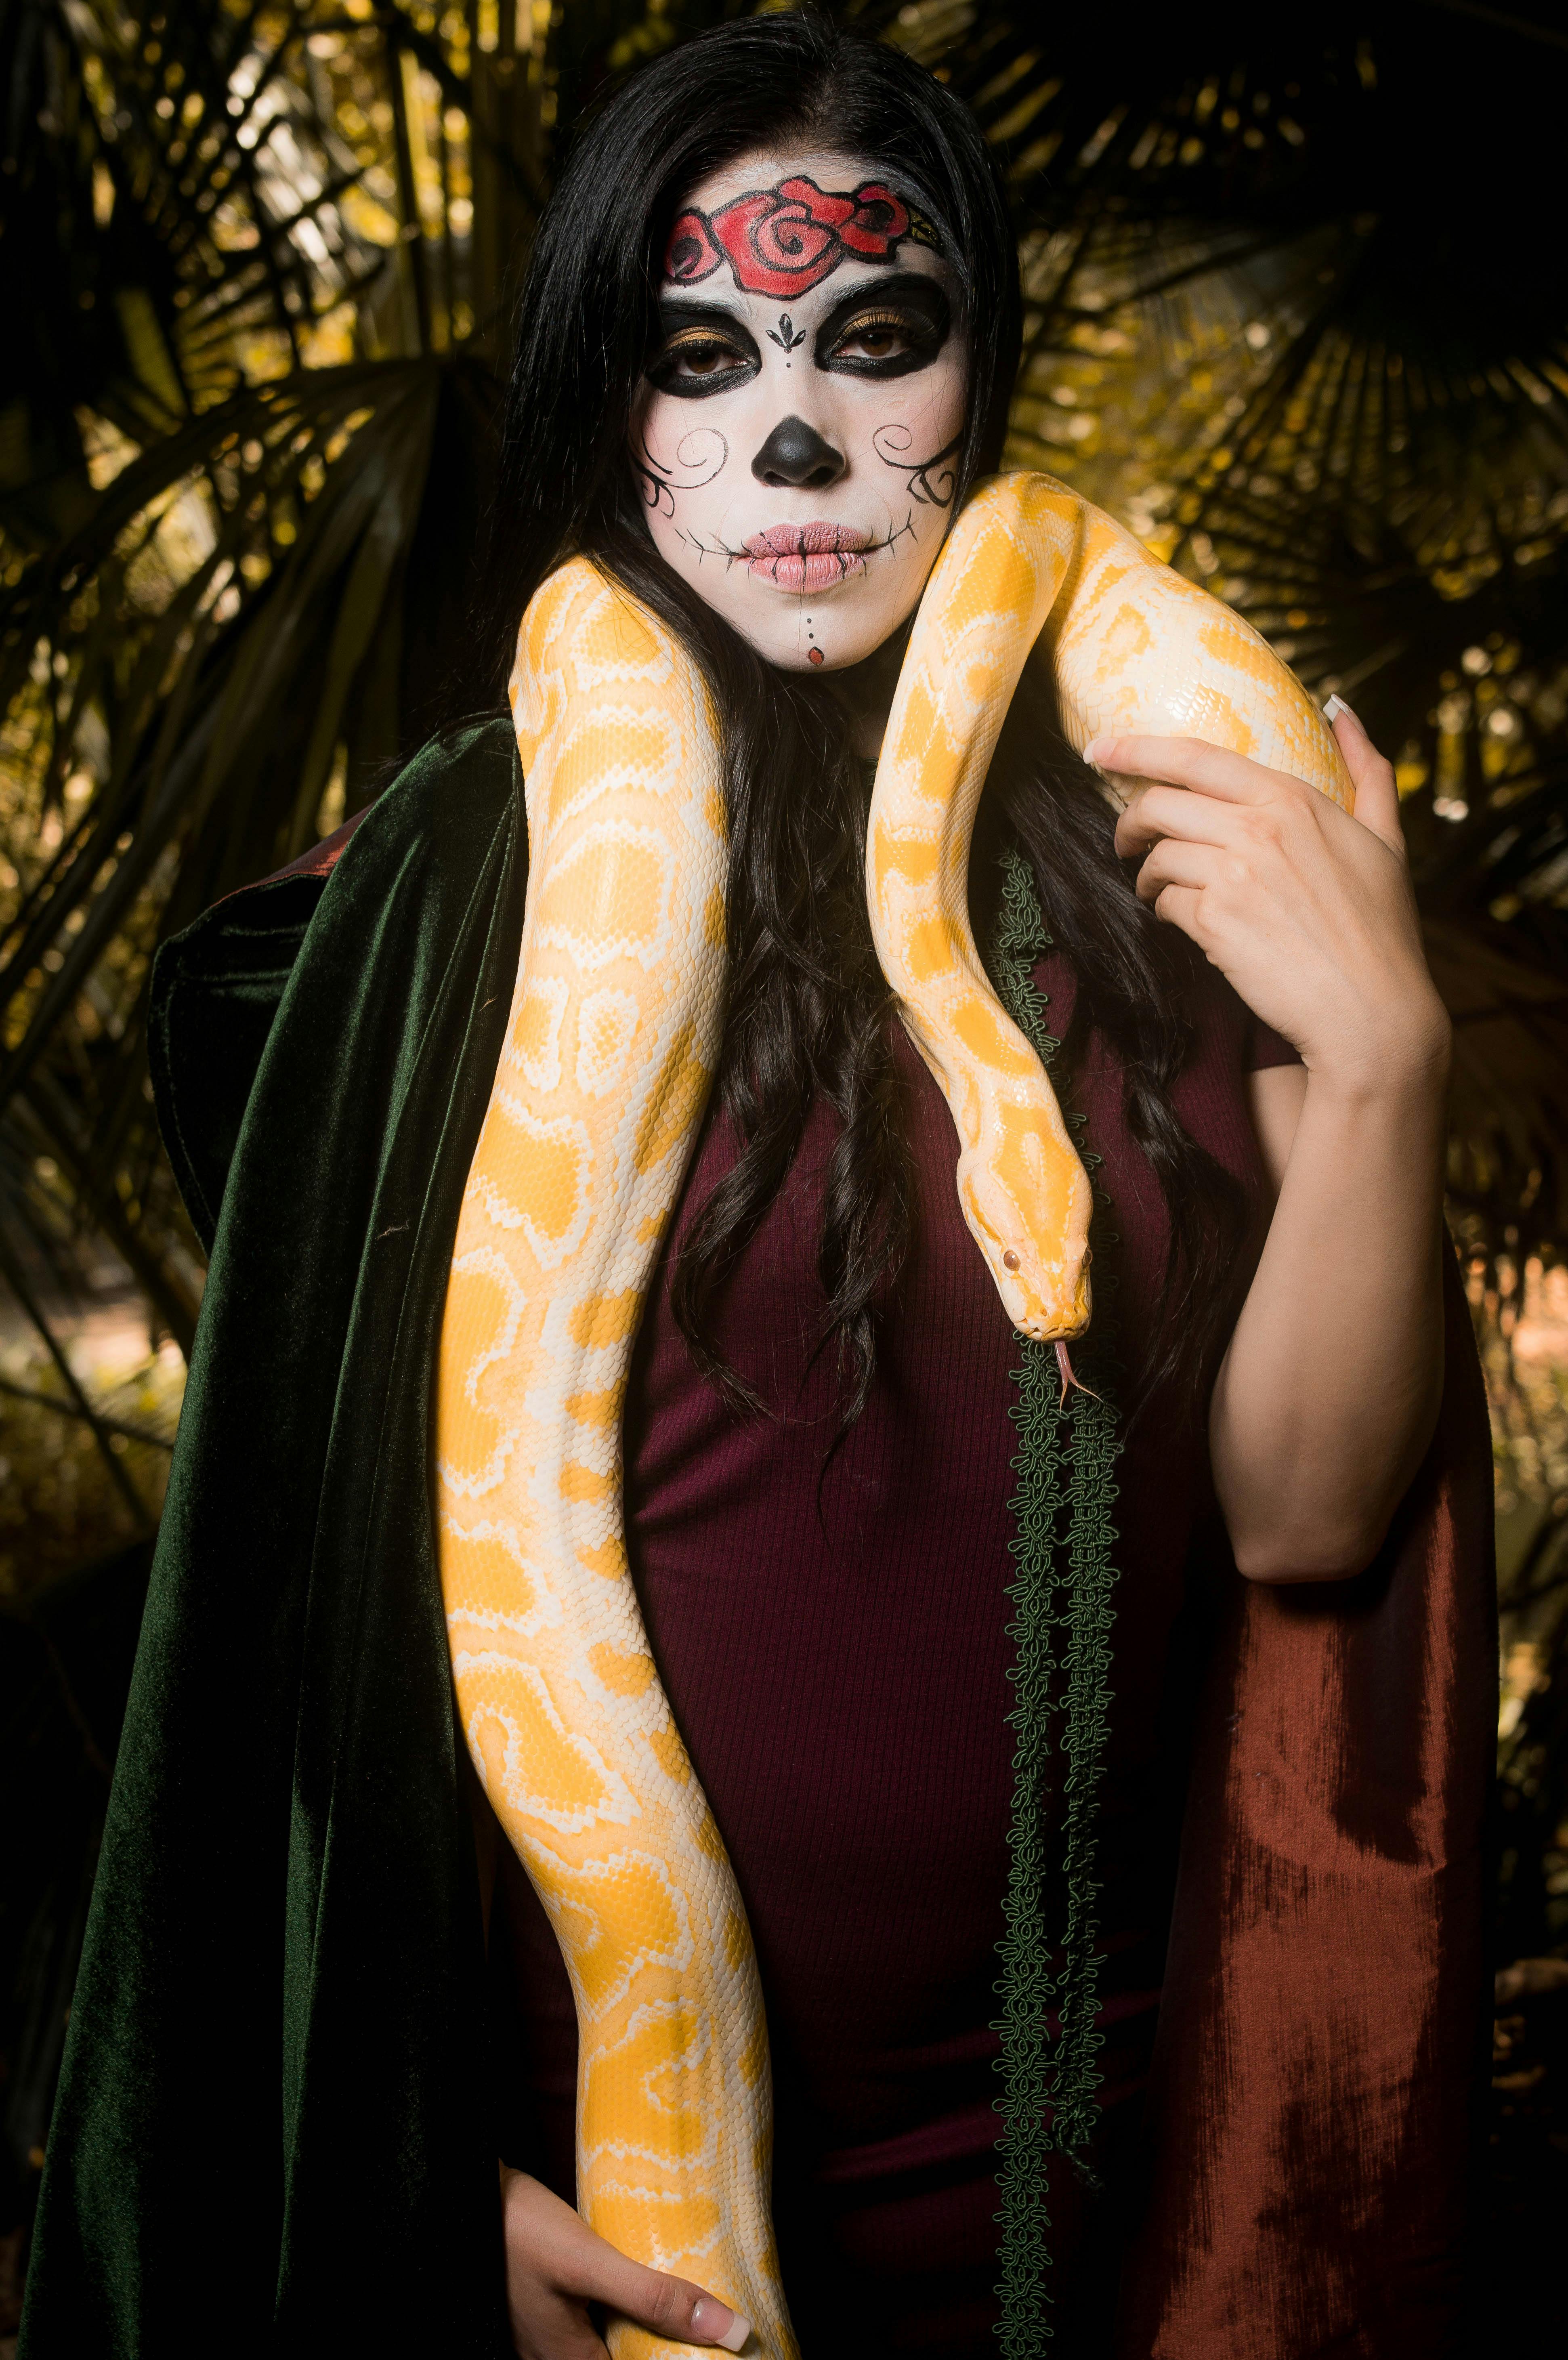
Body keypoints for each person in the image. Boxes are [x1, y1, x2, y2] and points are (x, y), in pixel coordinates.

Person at [19, 17, 1495, 2360]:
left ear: (972, 383)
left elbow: (1314, 1530)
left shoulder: (1151, 882)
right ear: (614, 408)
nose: (793, 433)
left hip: (1103, 2200)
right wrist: (416, 2156)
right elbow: (271, 1636)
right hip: (620, 2214)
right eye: (702, 356)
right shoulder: (444, 902)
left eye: (873, 340)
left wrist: (1390, 1052)